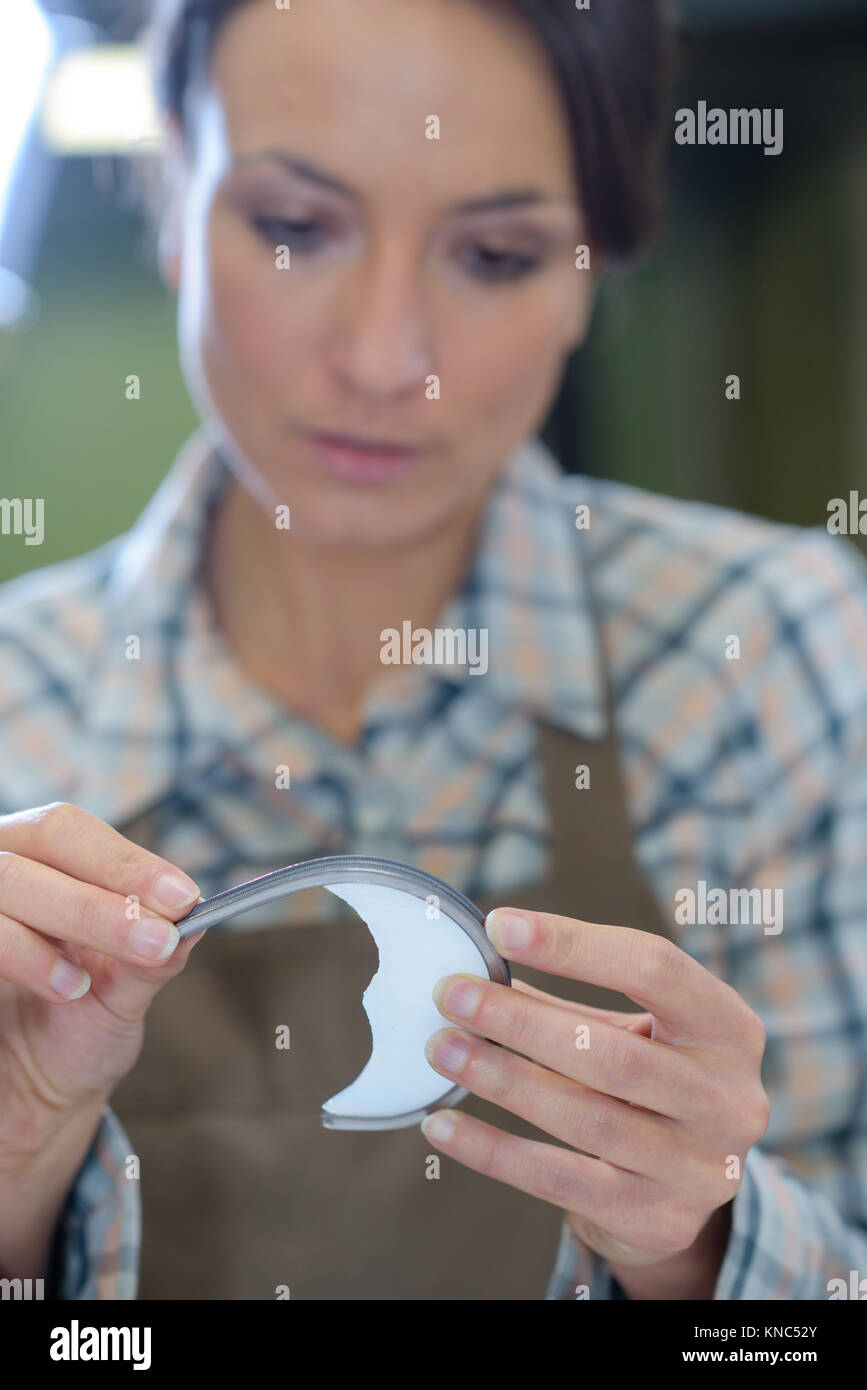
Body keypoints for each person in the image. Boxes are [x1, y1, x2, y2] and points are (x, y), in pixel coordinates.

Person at [1, 0, 866, 1301]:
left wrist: (702, 1240)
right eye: (296, 227)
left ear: (593, 267)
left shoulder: (770, 653)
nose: (384, 354)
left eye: (498, 253)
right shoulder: (17, 709)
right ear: (175, 190)